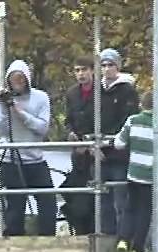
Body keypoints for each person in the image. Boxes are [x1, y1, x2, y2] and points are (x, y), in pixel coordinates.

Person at [0, 59, 56, 236]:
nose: (17, 83)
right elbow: (1, 130)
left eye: (21, 79)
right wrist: (6, 108)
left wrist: (19, 112)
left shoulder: (41, 98)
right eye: (14, 79)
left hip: (35, 159)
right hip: (10, 159)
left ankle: (47, 241)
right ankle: (15, 244)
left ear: (27, 79)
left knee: (48, 203)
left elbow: (42, 128)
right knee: (14, 207)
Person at [97, 48, 140, 240]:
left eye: (110, 65)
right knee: (102, 199)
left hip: (119, 154)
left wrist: (111, 141)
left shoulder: (128, 91)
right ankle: (107, 237)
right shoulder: (97, 91)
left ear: (118, 67)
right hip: (99, 153)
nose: (106, 69)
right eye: (103, 65)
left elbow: (127, 120)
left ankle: (124, 239)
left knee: (121, 199)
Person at [109, 91, 154, 252]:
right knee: (145, 211)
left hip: (134, 172)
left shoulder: (133, 120)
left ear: (141, 105)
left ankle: (123, 240)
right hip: (151, 175)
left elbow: (119, 144)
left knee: (129, 208)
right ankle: (138, 248)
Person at [62, 57, 98, 235]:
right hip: (78, 154)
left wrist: (91, 142)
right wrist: (71, 134)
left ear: (92, 70)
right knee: (78, 196)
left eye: (84, 70)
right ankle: (81, 232)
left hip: (97, 150)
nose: (81, 74)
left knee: (97, 195)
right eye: (77, 70)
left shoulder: (101, 91)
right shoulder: (72, 93)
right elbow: (68, 119)